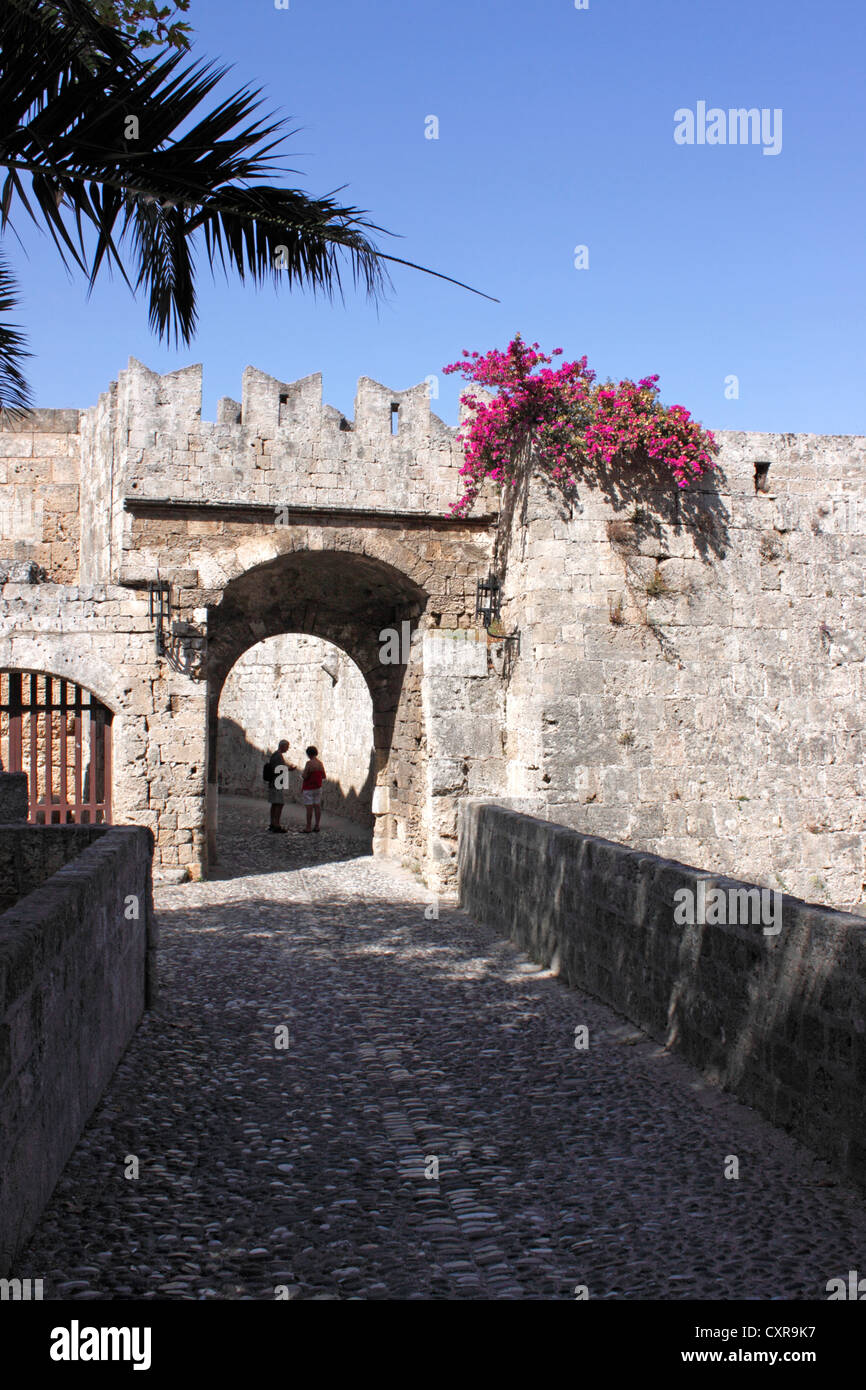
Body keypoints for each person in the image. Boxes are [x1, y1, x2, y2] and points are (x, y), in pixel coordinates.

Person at [265, 740, 296, 832]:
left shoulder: (276, 755)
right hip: (277, 782)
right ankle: (276, 824)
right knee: (279, 803)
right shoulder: (278, 756)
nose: (288, 748)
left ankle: (272, 823)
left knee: (275, 803)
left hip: (275, 782)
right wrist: (289, 769)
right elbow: (278, 769)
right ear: (282, 746)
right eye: (287, 746)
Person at [300, 745, 325, 833]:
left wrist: (302, 775)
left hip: (309, 788)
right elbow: (324, 776)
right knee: (317, 806)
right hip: (318, 787)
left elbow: (305, 776)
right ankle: (317, 825)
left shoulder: (309, 763)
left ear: (308, 754)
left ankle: (308, 827)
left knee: (309, 808)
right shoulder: (320, 763)